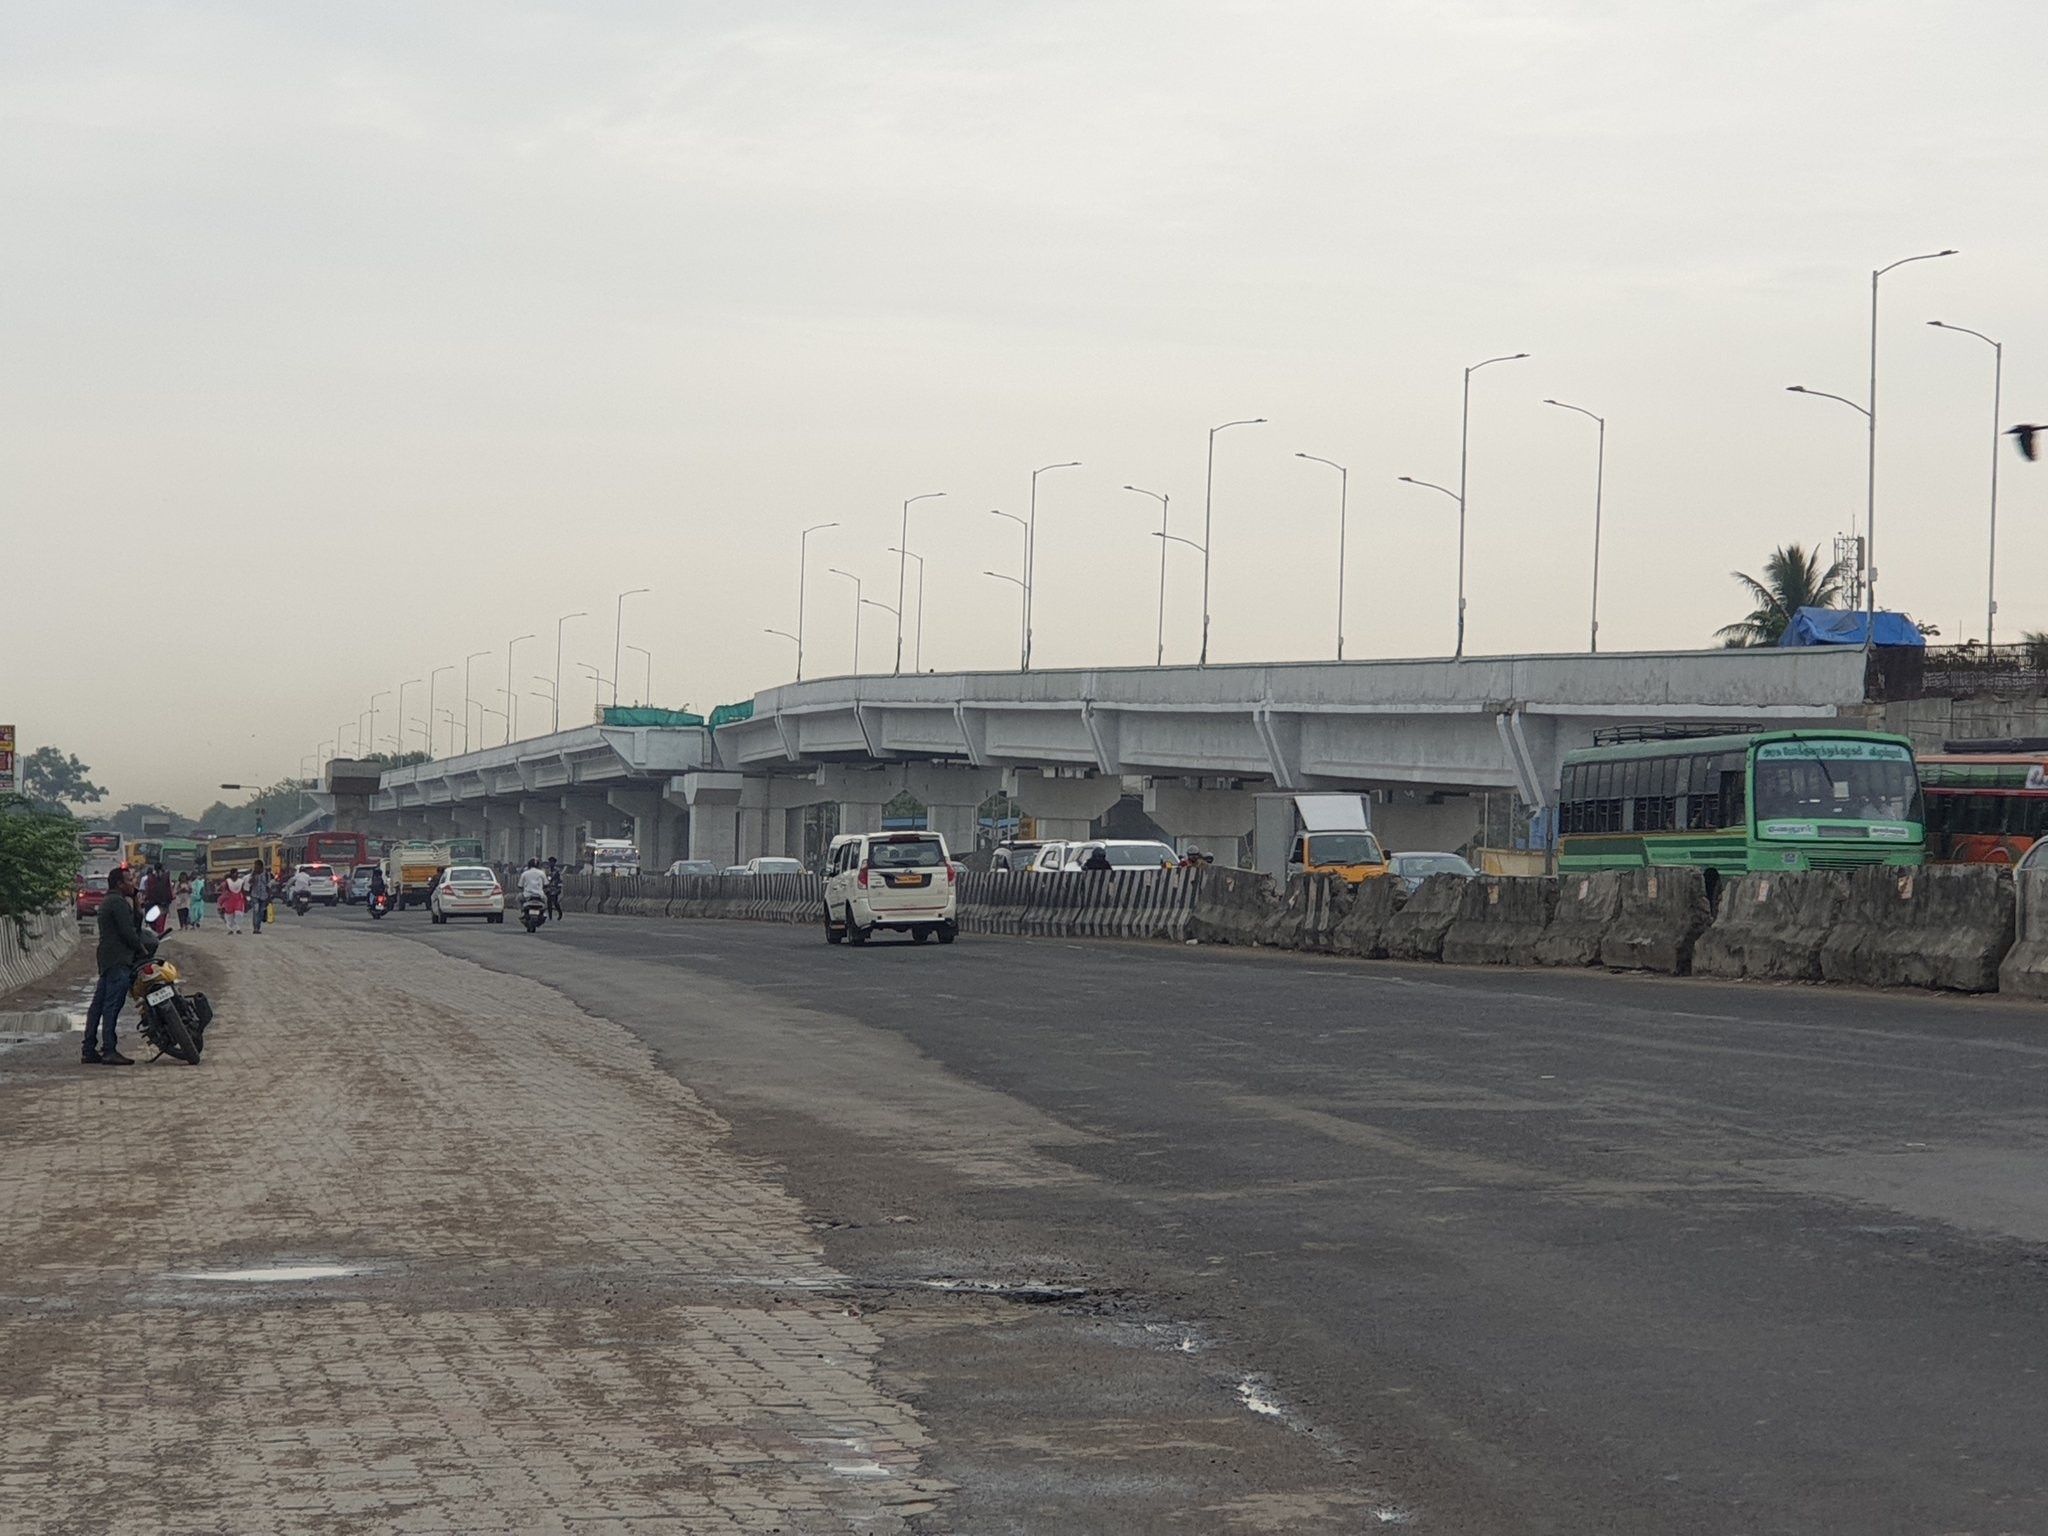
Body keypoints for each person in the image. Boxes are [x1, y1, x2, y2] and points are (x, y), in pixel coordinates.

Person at [83, 866, 146, 1066]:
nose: (132, 884)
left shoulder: (111, 901)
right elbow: (130, 932)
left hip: (108, 959)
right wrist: (141, 949)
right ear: (119, 884)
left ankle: (88, 1049)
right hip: (118, 959)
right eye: (129, 880)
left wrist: (136, 902)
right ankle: (109, 1050)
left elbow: (133, 924)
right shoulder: (117, 903)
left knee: (98, 1007)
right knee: (112, 1006)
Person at [221, 868, 247, 934]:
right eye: (235, 873)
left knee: (239, 913)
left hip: (238, 899)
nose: (237, 874)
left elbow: (242, 890)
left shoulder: (241, 881)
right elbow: (224, 890)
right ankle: (230, 929)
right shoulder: (227, 881)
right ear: (232, 874)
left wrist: (245, 899)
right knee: (229, 915)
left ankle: (238, 928)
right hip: (229, 899)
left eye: (237, 873)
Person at [249, 865, 272, 933]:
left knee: (261, 912)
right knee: (256, 910)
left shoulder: (266, 875)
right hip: (255, 895)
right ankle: (255, 928)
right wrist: (253, 875)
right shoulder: (253, 874)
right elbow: (250, 883)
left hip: (264, 896)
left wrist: (269, 897)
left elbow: (269, 885)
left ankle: (258, 927)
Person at [544, 856, 564, 924]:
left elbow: (560, 880)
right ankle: (550, 916)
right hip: (548, 888)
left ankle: (560, 913)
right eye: (550, 862)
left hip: (555, 888)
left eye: (552, 862)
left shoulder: (557, 871)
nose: (551, 863)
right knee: (549, 902)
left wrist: (559, 888)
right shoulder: (547, 870)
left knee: (555, 902)